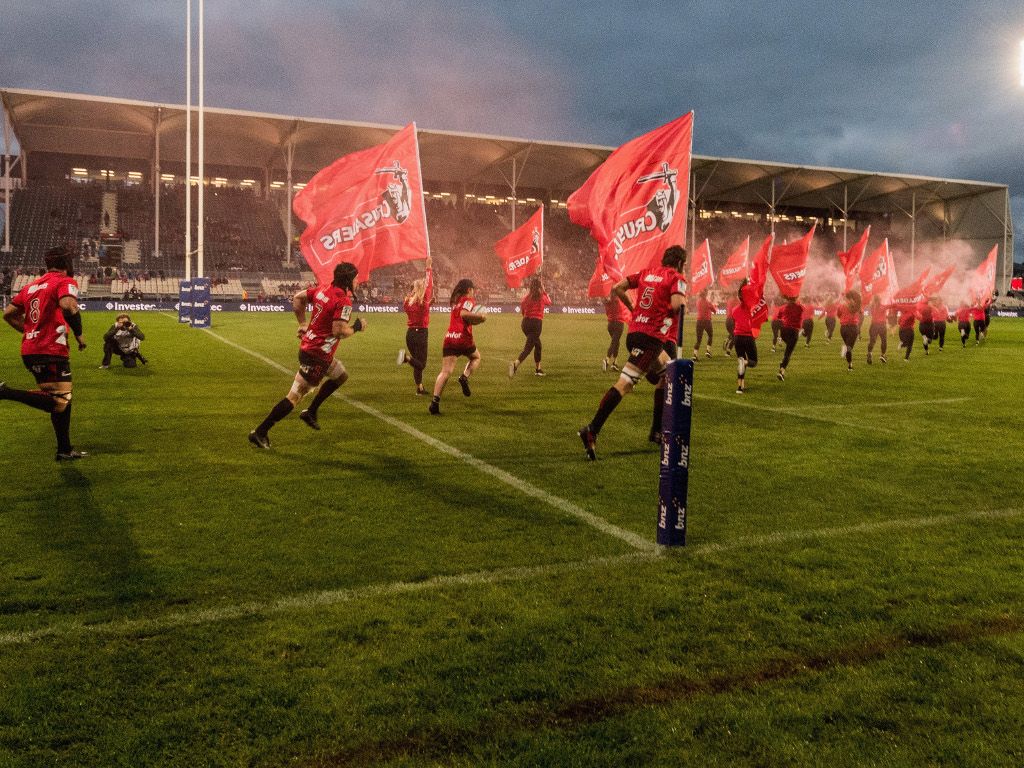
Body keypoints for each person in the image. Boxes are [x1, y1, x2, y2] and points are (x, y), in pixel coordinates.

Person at [578, 245, 687, 460]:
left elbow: (618, 288)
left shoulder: (647, 273)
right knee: (625, 384)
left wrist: (634, 308)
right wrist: (682, 301)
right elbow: (677, 305)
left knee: (668, 373)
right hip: (651, 338)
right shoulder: (676, 277)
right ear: (681, 263)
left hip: (635, 332)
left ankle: (657, 432)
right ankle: (592, 429)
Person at [248, 262, 365, 448]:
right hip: (318, 355)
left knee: (341, 375)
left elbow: (297, 298)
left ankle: (311, 411)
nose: (358, 281)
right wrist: (356, 328)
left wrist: (303, 324)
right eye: (356, 277)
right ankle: (261, 431)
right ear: (349, 280)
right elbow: (338, 331)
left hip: (311, 350)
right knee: (293, 397)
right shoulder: (343, 301)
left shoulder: (323, 289)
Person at [0, 246, 88, 460]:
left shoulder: (32, 285)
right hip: (50, 349)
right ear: (67, 265)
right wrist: (79, 333)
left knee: (64, 398)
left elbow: (8, 314)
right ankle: (5, 392)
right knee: (59, 402)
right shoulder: (64, 281)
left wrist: (30, 331)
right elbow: (68, 306)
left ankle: (64, 449)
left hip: (31, 349)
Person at [429, 278, 486, 415]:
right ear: (469, 290)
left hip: (450, 338)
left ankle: (434, 403)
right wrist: (481, 317)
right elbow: (464, 314)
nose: (473, 293)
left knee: (445, 372)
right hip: (463, 338)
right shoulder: (468, 300)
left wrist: (476, 320)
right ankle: (464, 376)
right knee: (476, 357)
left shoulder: (456, 302)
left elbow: (464, 318)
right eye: (473, 290)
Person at [397, 256, 433, 395]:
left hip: (410, 334)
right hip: (421, 333)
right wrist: (428, 267)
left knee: (416, 363)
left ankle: (420, 388)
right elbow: (429, 285)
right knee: (421, 364)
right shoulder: (423, 301)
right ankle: (405, 358)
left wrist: (430, 304)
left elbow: (418, 308)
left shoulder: (407, 302)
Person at [510, 275, 552, 377]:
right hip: (536, 323)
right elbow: (549, 302)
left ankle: (538, 369)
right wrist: (544, 290)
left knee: (538, 345)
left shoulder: (527, 298)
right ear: (539, 287)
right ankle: (515, 364)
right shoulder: (541, 297)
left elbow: (522, 309)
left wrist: (526, 317)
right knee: (528, 348)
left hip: (525, 323)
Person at [732, 279, 760, 393]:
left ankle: (740, 387)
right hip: (748, 337)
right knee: (753, 361)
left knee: (741, 361)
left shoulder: (735, 310)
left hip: (737, 337)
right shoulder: (751, 308)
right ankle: (744, 362)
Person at [776, 294, 803, 381]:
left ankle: (783, 364)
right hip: (794, 331)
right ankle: (781, 371)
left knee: (788, 349)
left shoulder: (783, 307)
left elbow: (779, 317)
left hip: (784, 330)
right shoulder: (800, 307)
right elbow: (802, 311)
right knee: (788, 353)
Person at [602, 292, 631, 371]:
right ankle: (607, 359)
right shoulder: (617, 301)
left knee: (616, 342)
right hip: (618, 323)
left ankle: (615, 363)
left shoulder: (606, 301)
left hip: (610, 324)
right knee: (614, 342)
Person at [837, 290, 863, 371]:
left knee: (848, 347)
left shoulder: (841, 305)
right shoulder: (856, 305)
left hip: (843, 328)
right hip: (853, 328)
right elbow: (861, 313)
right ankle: (849, 363)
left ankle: (850, 365)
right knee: (850, 347)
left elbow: (838, 315)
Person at [692, 289, 715, 360]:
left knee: (698, 340)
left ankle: (695, 355)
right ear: (705, 295)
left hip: (699, 321)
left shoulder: (698, 302)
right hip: (707, 321)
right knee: (710, 335)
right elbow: (714, 310)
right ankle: (708, 351)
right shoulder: (707, 302)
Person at [865, 295, 889, 364]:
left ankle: (869, 353)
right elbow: (892, 306)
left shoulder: (872, 306)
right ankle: (883, 355)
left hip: (874, 325)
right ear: (880, 300)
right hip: (882, 325)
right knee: (884, 340)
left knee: (872, 341)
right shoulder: (883, 306)